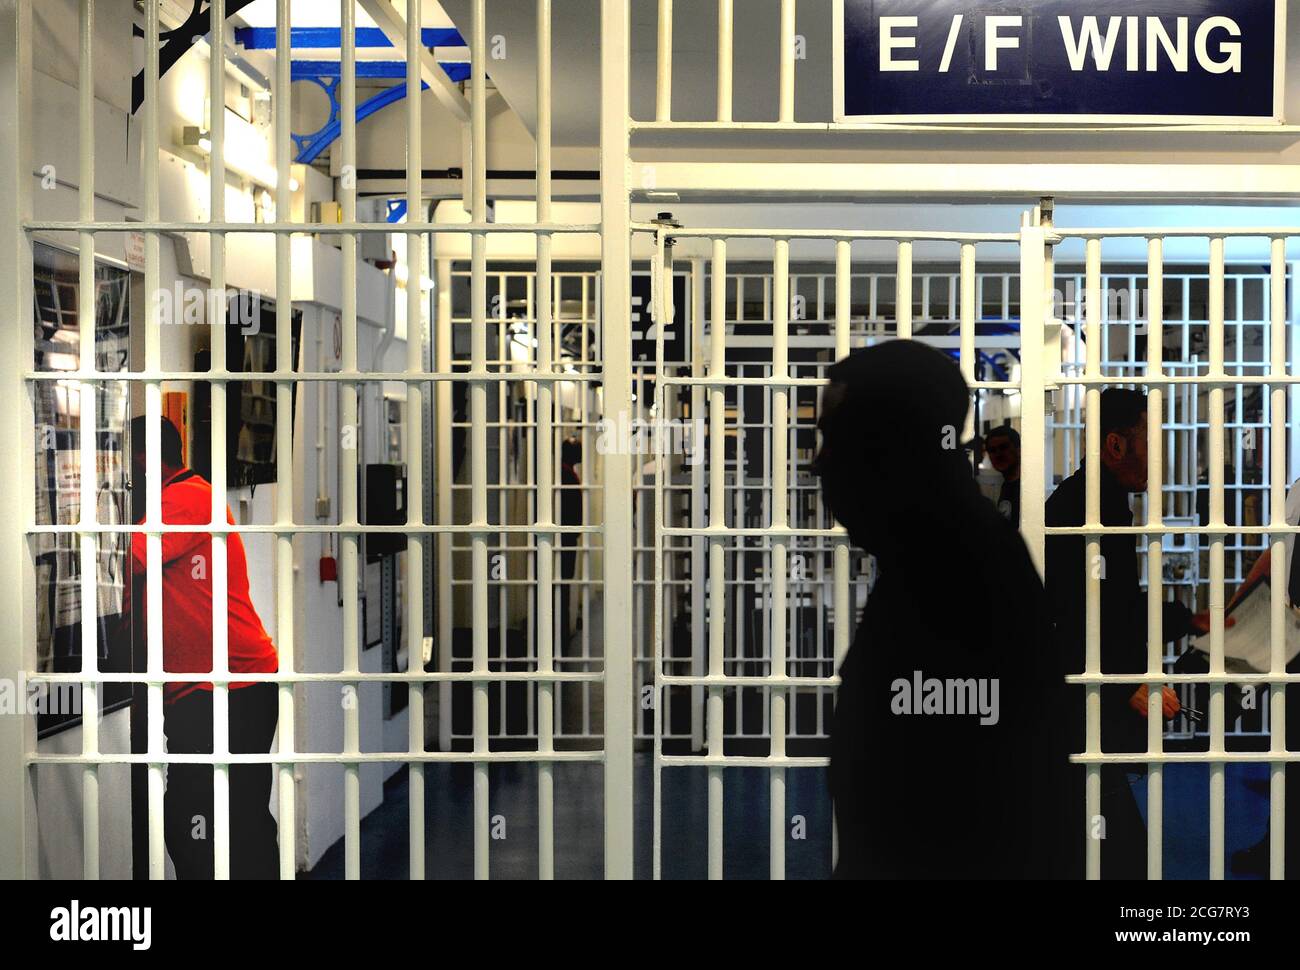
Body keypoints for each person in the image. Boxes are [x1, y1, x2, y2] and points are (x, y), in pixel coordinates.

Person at [814, 340, 1071, 879]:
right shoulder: (941, 558)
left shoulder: (958, 575)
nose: (819, 464)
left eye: (836, 440)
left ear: (893, 448)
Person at [1044, 389, 1220, 879]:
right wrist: (1128, 685)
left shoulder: (1098, 500)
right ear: (1117, 446)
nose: (1160, 455)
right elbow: (1071, 615)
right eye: (1151, 440)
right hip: (1078, 700)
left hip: (1084, 697)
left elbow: (1112, 606)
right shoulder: (1086, 509)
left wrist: (1186, 621)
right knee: (1112, 851)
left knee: (1102, 842)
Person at [128, 416, 280, 879]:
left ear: (144, 461)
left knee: (202, 819)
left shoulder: (187, 498)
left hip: (225, 687)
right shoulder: (180, 499)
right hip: (227, 686)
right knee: (233, 817)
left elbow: (122, 556)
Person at [984, 425, 1021, 526]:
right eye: (992, 450)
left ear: (1018, 449)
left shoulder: (1027, 488)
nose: (998, 454)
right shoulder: (1005, 485)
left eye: (1003, 447)